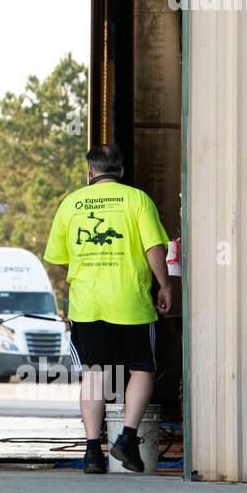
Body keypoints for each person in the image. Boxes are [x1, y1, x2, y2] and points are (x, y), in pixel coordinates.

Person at [44, 143, 171, 473]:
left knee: (94, 375)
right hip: (131, 301)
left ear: (90, 171)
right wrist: (165, 286)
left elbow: (58, 259)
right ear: (121, 171)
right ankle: (126, 437)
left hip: (88, 305)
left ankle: (91, 452)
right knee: (141, 368)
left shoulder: (71, 203)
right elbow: (155, 247)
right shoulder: (137, 199)